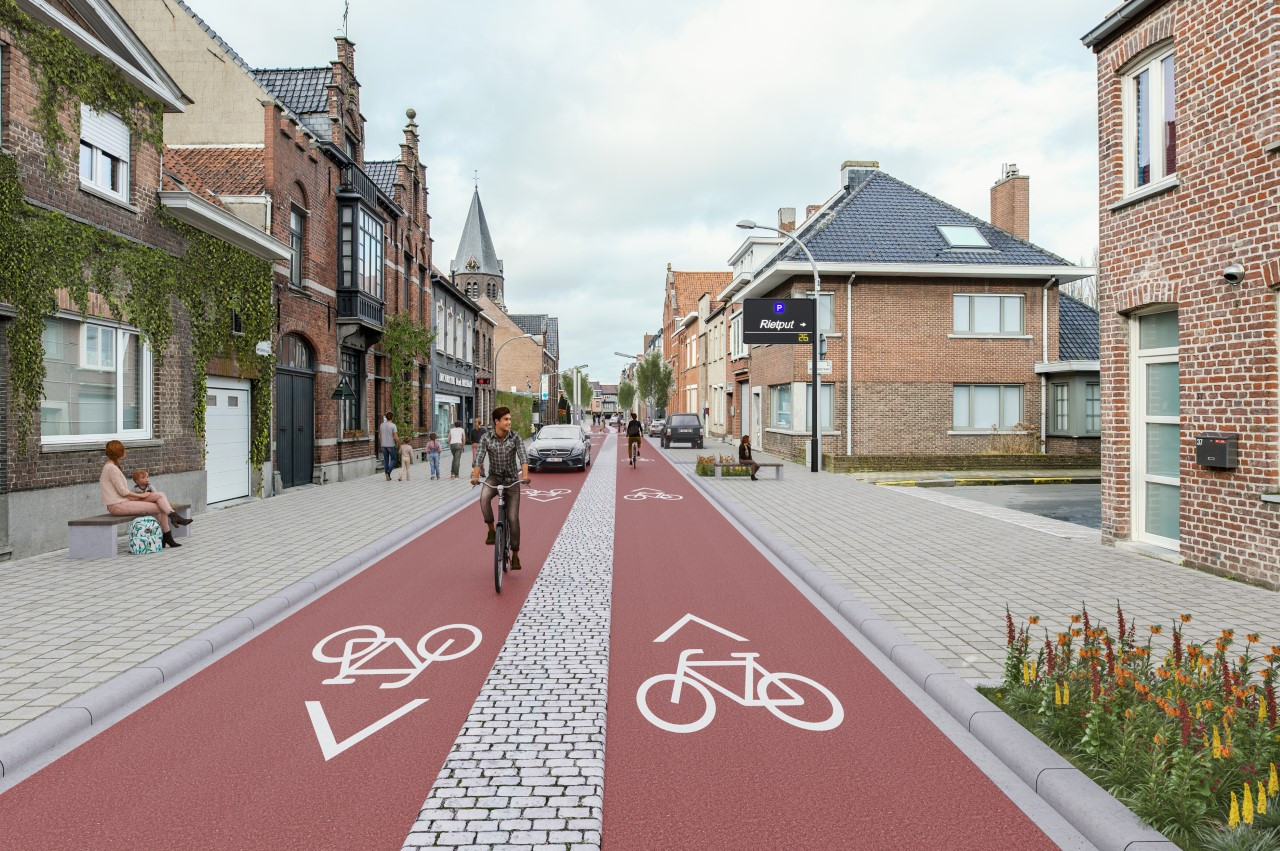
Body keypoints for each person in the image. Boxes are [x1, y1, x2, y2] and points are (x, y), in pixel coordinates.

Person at [99, 440, 191, 549]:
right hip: (117, 505)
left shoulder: (112, 466)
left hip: (124, 502)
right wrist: (141, 496)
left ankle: (173, 517)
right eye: (123, 449)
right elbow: (122, 492)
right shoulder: (111, 469)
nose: (126, 451)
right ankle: (168, 534)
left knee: (160, 495)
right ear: (118, 452)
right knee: (160, 507)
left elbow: (123, 492)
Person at [471, 407, 531, 570]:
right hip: (494, 477)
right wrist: (475, 477)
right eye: (506, 419)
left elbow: (523, 457)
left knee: (513, 518)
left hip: (512, 479)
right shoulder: (486, 438)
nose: (509, 422)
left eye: (510, 419)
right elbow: (479, 459)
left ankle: (515, 554)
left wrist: (524, 476)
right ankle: (491, 530)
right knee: (483, 498)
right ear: (497, 421)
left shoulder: (515, 437)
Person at [379, 412, 398, 481]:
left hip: (383, 445)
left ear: (386, 417)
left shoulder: (381, 425)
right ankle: (388, 472)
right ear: (392, 417)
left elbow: (380, 436)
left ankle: (387, 475)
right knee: (393, 459)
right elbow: (395, 436)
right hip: (391, 445)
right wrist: (399, 443)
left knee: (386, 461)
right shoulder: (393, 425)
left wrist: (381, 443)